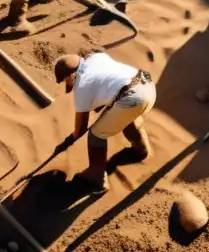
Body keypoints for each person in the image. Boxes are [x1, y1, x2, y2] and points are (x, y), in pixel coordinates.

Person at [54, 52, 156, 193]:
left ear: (70, 76)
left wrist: (66, 142)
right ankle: (141, 149)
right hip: (148, 87)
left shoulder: (82, 85)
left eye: (65, 80)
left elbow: (81, 129)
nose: (66, 83)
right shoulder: (96, 57)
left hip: (132, 98)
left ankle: (96, 178)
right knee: (125, 115)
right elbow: (108, 83)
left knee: (96, 133)